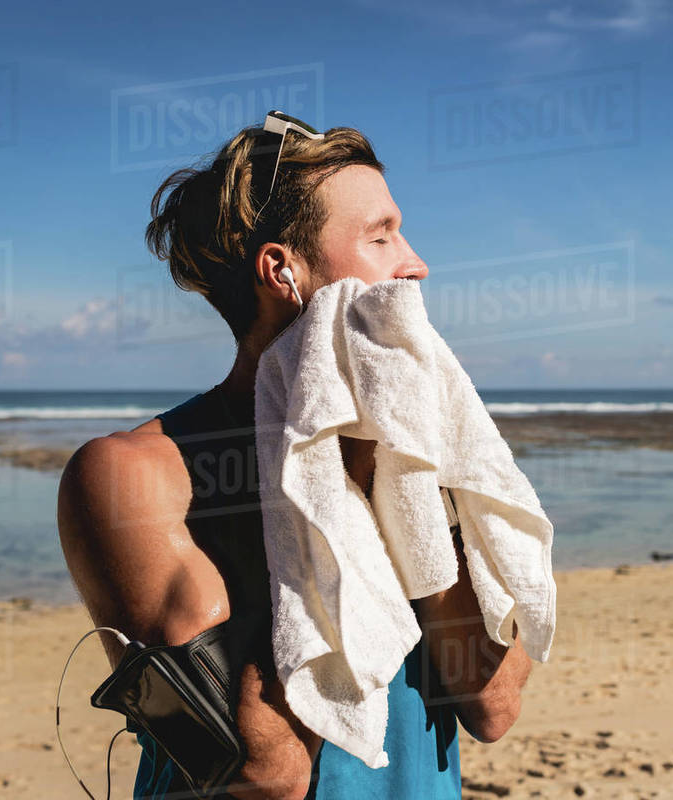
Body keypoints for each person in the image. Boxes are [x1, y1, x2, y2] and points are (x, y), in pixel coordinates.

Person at [57, 116, 532, 800]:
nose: (415, 263)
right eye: (380, 236)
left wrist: (409, 487)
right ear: (283, 271)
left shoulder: (417, 449)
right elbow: (266, 771)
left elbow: (493, 706)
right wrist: (329, 485)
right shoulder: (136, 475)